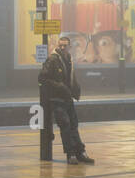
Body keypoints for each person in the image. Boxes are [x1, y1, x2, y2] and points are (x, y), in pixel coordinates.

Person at [38, 34, 95, 165]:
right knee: (66, 125)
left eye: (65, 45)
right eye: (60, 45)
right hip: (57, 99)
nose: (62, 47)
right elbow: (42, 78)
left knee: (73, 125)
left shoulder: (68, 58)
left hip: (67, 97)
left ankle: (80, 152)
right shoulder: (53, 59)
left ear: (69, 47)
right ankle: (71, 154)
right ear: (58, 46)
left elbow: (70, 77)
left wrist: (74, 89)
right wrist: (60, 87)